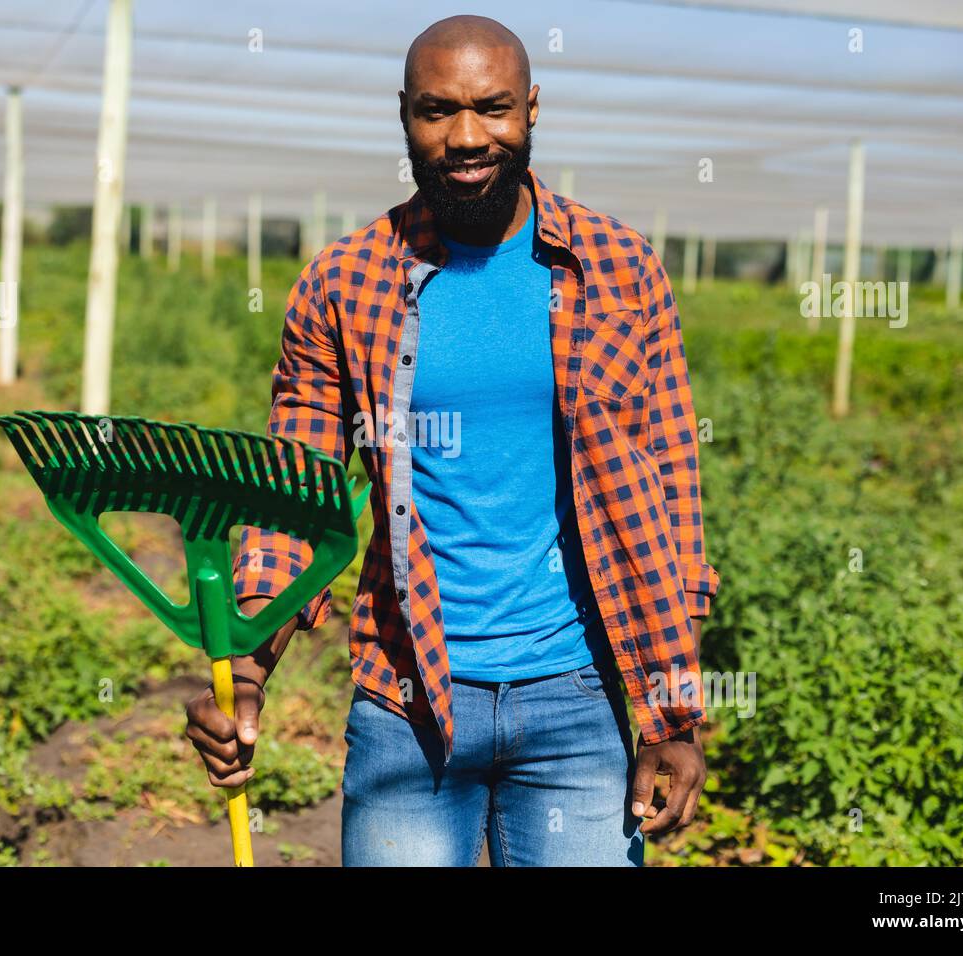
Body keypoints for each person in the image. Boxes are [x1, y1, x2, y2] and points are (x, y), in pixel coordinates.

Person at [185, 13, 719, 866]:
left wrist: (674, 713)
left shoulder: (620, 268)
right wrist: (246, 665)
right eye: (438, 111)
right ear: (404, 114)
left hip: (579, 701)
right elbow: (297, 490)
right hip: (407, 702)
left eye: (492, 108)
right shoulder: (345, 282)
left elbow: (671, 499)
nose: (467, 137)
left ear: (532, 110)